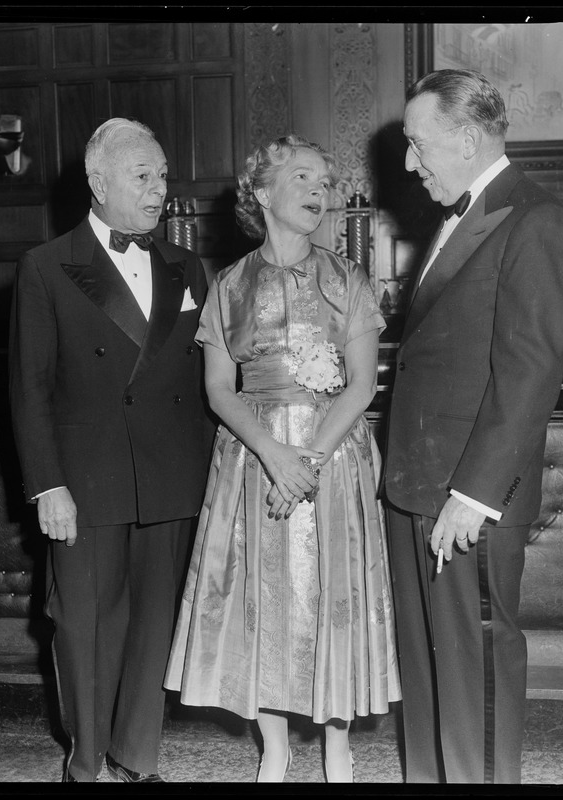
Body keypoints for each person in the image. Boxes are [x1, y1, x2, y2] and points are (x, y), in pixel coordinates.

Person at [164, 134, 401, 783]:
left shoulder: (347, 277)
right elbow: (218, 388)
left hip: (332, 454)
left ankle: (337, 743)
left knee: (333, 591)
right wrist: (273, 454)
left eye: (324, 181)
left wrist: (310, 460)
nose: (319, 191)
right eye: (302, 178)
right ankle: (274, 745)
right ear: (263, 194)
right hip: (252, 455)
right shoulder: (230, 284)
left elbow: (361, 383)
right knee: (261, 597)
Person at [382, 69, 563, 784]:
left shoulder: (535, 218)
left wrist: (473, 494)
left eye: (415, 145)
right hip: (416, 482)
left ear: (464, 139)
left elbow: (530, 370)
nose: (408, 163)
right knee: (428, 662)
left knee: (476, 665)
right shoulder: (454, 216)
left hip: (467, 494)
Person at [8, 118, 214, 783]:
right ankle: (86, 762)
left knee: (155, 626)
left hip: (171, 476)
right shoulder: (46, 267)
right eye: (142, 176)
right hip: (86, 480)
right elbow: (28, 387)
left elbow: (204, 380)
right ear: (97, 182)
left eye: (161, 176)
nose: (159, 190)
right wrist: (47, 486)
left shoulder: (185, 266)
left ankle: (135, 758)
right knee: (84, 628)